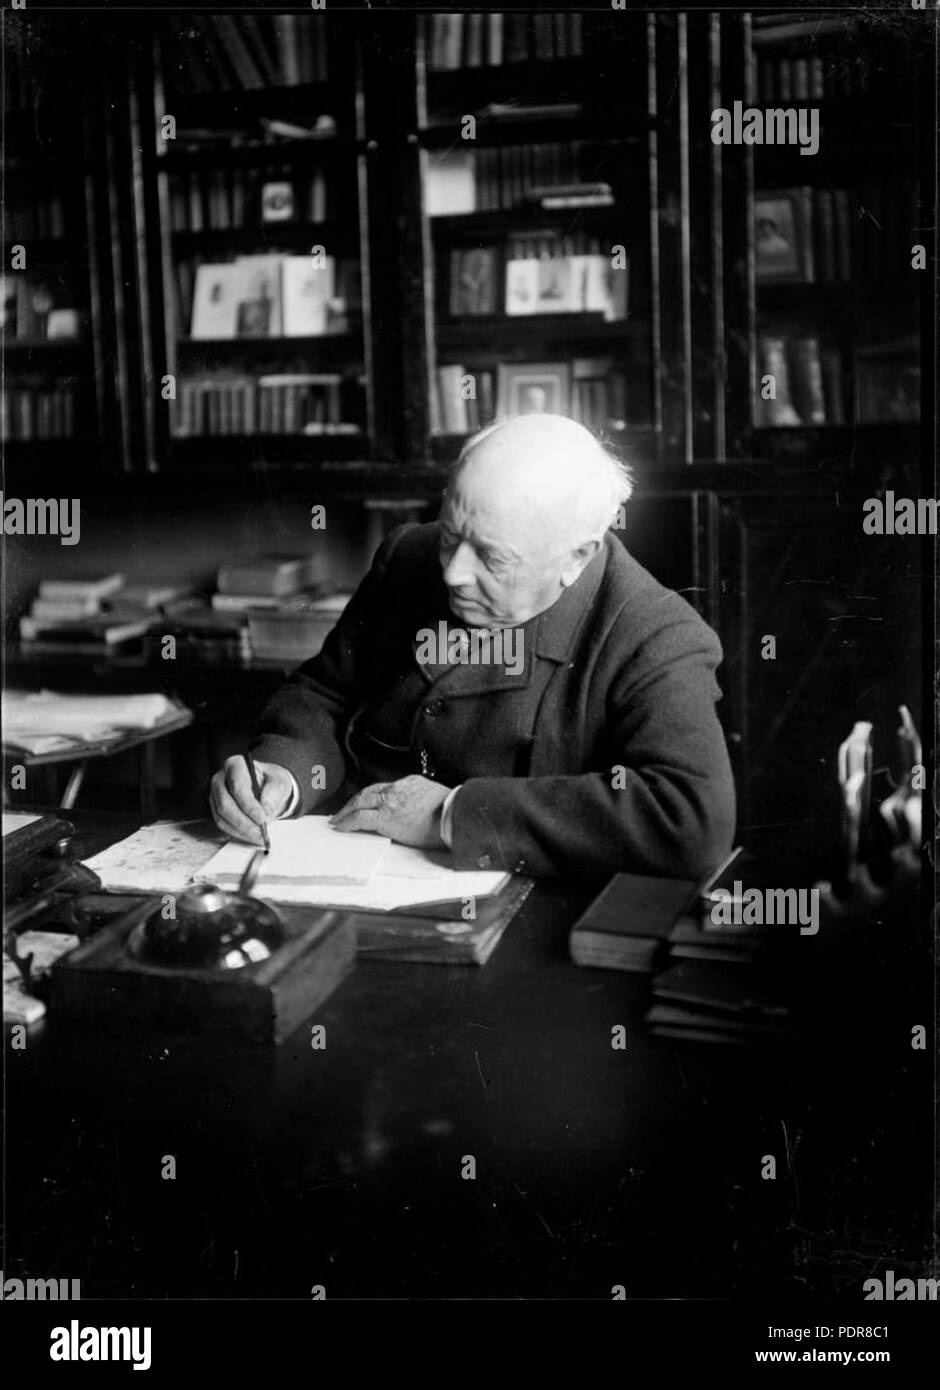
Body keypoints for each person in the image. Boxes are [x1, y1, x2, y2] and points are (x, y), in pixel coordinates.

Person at [210, 414, 736, 878]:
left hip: (527, 916)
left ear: (576, 557)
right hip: (348, 876)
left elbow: (690, 819)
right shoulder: (407, 557)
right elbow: (326, 690)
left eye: (492, 559)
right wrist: (285, 771)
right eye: (450, 534)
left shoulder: (656, 634)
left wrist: (452, 815)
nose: (454, 571)